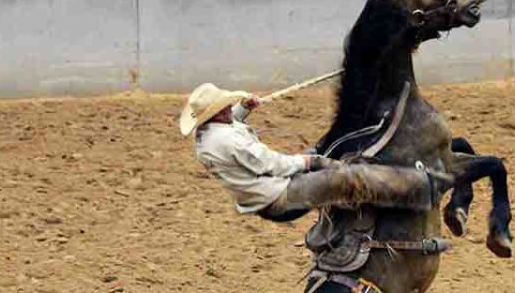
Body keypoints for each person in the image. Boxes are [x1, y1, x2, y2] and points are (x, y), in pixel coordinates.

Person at [179, 83, 451, 222]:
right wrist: (308, 161)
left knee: (327, 149)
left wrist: (243, 109)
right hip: (279, 196)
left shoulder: (210, 135)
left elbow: (232, 129)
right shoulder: (226, 140)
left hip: (261, 193)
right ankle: (419, 191)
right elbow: (269, 164)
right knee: (346, 179)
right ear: (213, 115)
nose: (229, 108)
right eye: (225, 107)